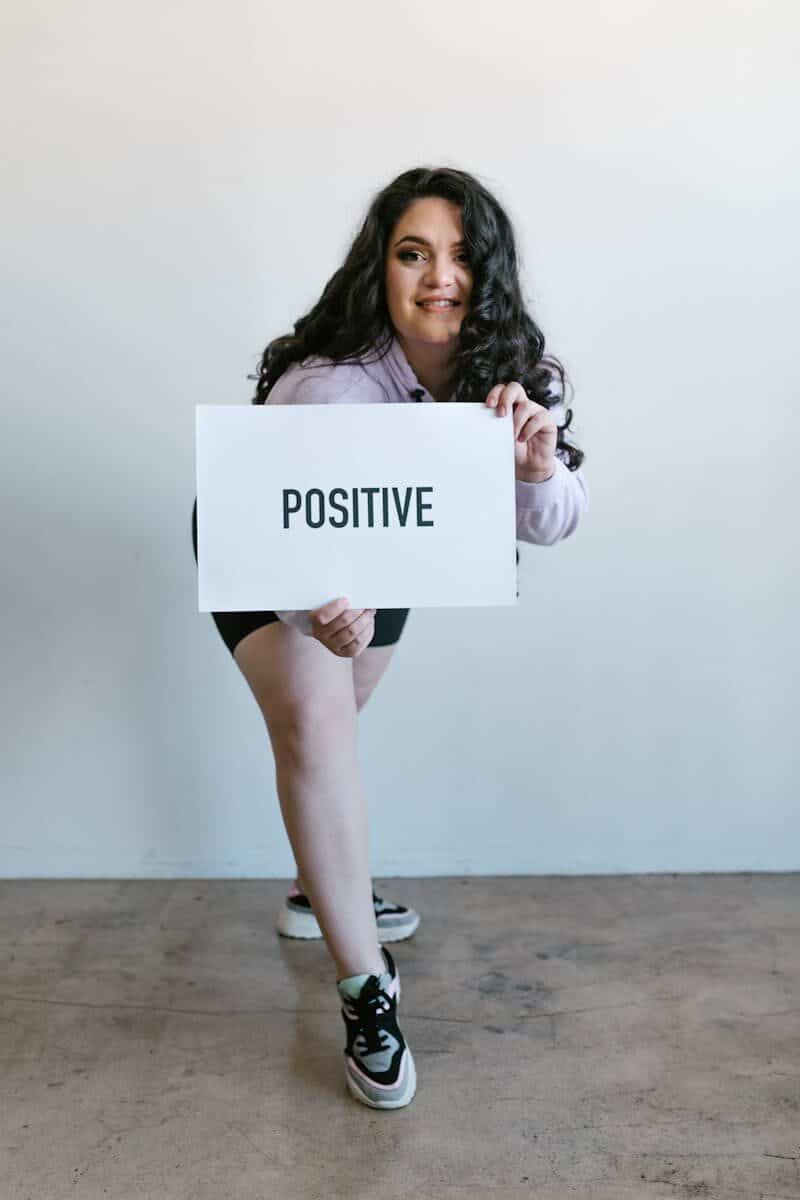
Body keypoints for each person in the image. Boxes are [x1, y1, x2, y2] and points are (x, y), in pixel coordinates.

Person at [190, 165, 589, 1110]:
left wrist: (534, 466)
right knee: (315, 732)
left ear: (487, 272)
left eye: (460, 255)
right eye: (414, 253)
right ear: (382, 270)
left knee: (336, 728)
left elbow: (556, 521)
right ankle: (368, 989)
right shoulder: (323, 389)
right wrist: (312, 609)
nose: (439, 275)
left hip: (393, 558)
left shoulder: (518, 372)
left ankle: (317, 887)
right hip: (267, 558)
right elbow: (281, 538)